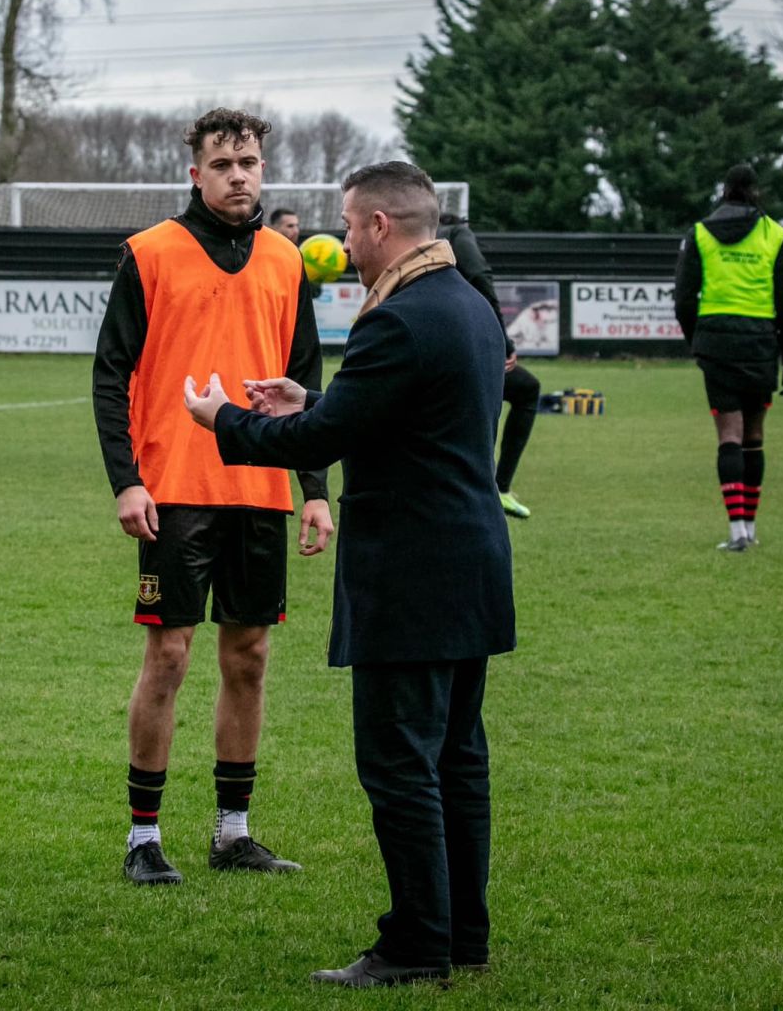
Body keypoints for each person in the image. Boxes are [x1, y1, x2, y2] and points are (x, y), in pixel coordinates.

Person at [182, 159, 514, 987]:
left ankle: (413, 945)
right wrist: (310, 399)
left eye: (345, 222)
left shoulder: (395, 320)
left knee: (402, 764)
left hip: (411, 574)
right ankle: (459, 934)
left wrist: (220, 416)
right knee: (456, 759)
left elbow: (311, 447)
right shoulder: (468, 305)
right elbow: (394, 418)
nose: (339, 240)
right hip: (469, 563)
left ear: (375, 227)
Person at [93, 107, 332, 886]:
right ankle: (142, 836)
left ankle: (233, 831)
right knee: (168, 655)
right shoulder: (149, 253)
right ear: (193, 172)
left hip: (258, 488)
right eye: (223, 164)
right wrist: (126, 478)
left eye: (251, 163)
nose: (239, 176)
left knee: (250, 657)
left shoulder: (285, 260)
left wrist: (316, 492)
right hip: (173, 489)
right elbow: (111, 375)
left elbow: (306, 388)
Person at [674, 164, 783, 551]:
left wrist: (697, 340)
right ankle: (751, 526)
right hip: (761, 344)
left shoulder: (700, 233)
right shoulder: (775, 235)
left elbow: (682, 299)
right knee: (754, 435)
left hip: (717, 346)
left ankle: (735, 533)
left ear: (724, 190)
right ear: (755, 191)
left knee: (728, 434)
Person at [437, 213, 540, 518]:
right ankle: (499, 487)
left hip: (426, 338)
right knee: (526, 390)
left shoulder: (412, 241)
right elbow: (480, 276)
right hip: (460, 342)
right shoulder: (457, 233)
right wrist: (504, 341)